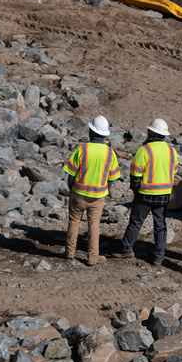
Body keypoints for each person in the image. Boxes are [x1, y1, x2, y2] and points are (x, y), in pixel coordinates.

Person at [116, 118, 178, 266]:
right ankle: (159, 257)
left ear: (152, 133)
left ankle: (127, 250)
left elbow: (135, 174)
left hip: (145, 194)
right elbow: (174, 171)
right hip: (164, 195)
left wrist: (136, 191)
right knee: (160, 225)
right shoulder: (171, 151)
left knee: (135, 223)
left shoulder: (144, 150)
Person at [63, 114, 120, 266]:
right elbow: (113, 177)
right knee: (93, 225)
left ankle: (69, 252)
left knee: (74, 221)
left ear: (91, 132)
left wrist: (72, 188)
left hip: (79, 193)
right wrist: (105, 188)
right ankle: (92, 257)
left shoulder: (82, 149)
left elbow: (71, 173)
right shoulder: (110, 153)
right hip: (98, 196)